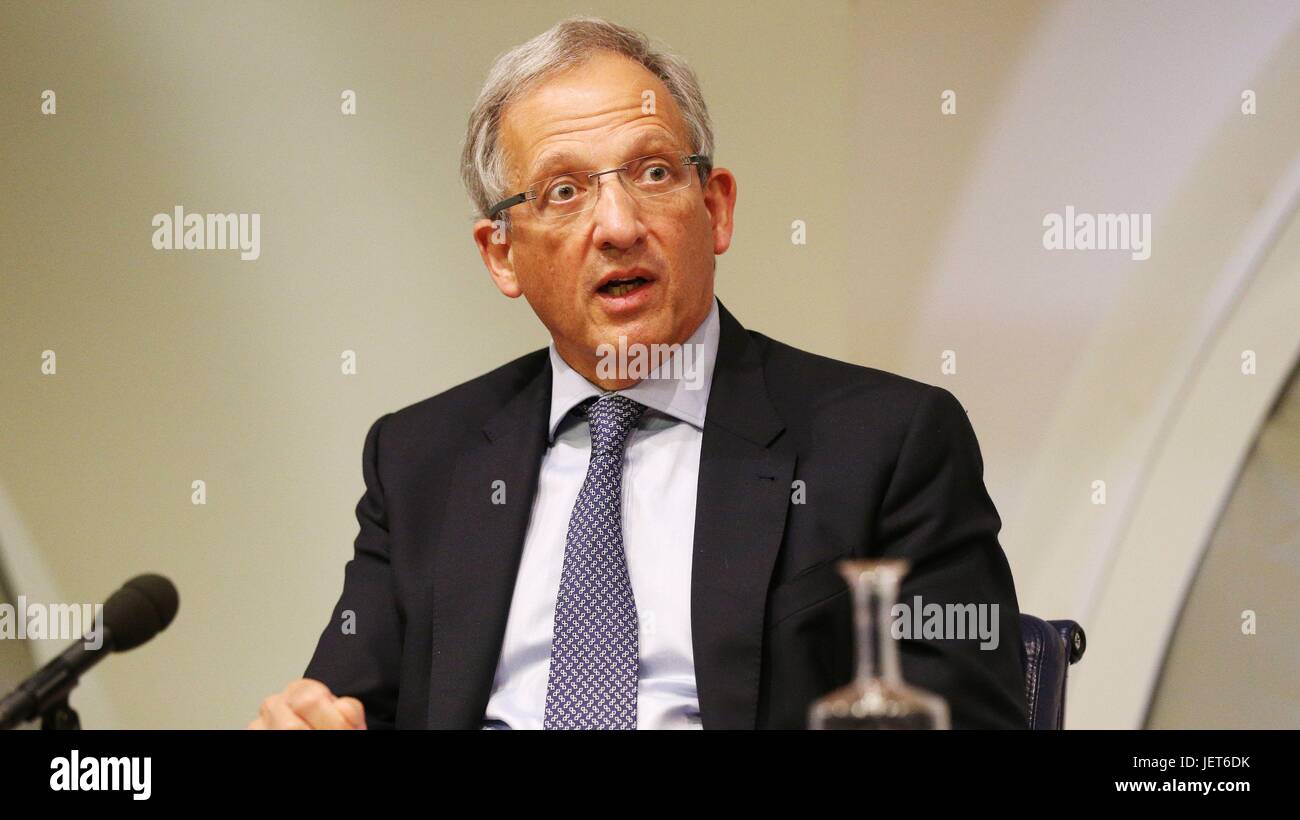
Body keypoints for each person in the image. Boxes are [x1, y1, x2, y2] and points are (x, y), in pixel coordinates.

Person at [248, 16, 1028, 730]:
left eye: (653, 173)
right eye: (563, 191)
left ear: (715, 207)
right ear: (501, 254)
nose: (619, 227)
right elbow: (348, 706)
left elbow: (964, 720)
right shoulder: (422, 458)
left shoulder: (883, 443)